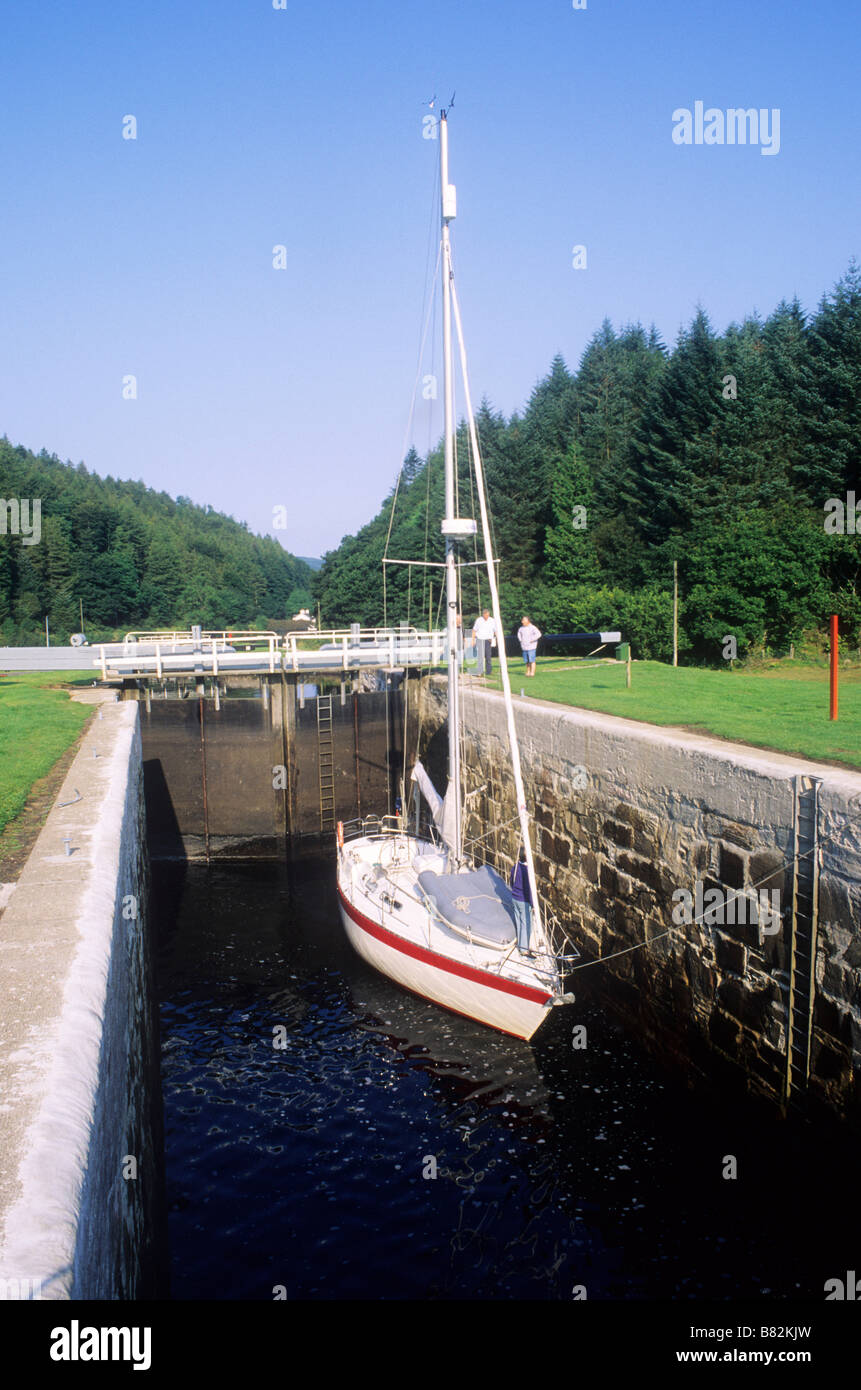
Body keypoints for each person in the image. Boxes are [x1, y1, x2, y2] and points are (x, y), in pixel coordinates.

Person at [509, 848, 534, 955]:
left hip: (515, 898)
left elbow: (511, 880)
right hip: (524, 901)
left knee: (519, 922)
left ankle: (521, 945)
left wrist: (514, 891)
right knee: (526, 924)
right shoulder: (527, 871)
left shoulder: (515, 867)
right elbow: (529, 890)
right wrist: (532, 904)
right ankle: (524, 950)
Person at [472, 608, 496, 676]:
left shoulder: (492, 620)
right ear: (483, 614)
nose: (486, 617)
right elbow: (474, 630)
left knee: (488, 656)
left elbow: (495, 631)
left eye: (488, 615)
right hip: (480, 639)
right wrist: (473, 640)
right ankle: (480, 671)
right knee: (480, 656)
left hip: (488, 640)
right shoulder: (478, 620)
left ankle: (488, 671)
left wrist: (494, 638)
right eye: (485, 615)